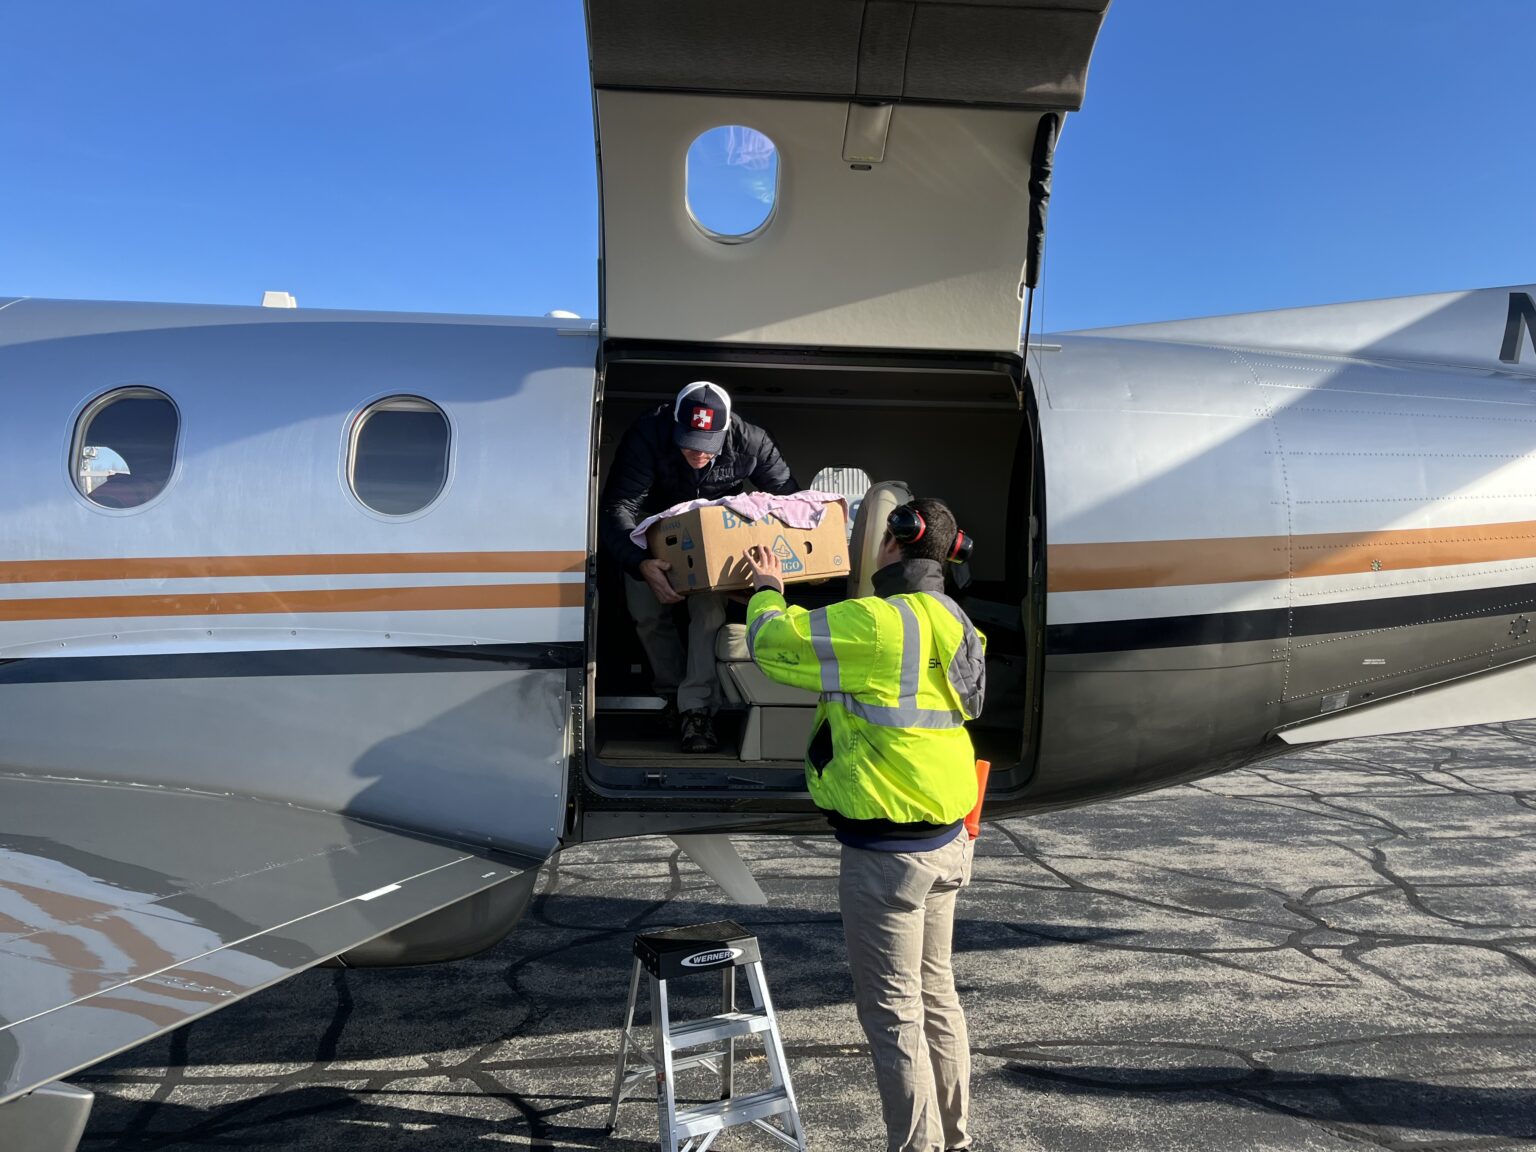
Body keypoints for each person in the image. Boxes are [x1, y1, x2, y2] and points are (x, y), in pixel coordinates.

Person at [742, 497, 985, 1152]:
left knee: (894, 1018)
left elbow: (774, 648)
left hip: (888, 857)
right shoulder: (957, 621)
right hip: (949, 841)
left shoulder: (877, 623)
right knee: (938, 1000)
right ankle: (954, 1141)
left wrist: (768, 591)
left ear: (897, 542)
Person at [600, 380, 798, 753]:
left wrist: (769, 564)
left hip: (715, 527)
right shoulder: (648, 433)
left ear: (725, 432)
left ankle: (698, 709)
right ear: (674, 423)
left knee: (708, 611)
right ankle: (673, 694)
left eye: (707, 446)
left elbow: (788, 501)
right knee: (646, 612)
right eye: (688, 441)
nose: (697, 453)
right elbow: (618, 507)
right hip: (653, 526)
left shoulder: (750, 440)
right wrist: (640, 563)